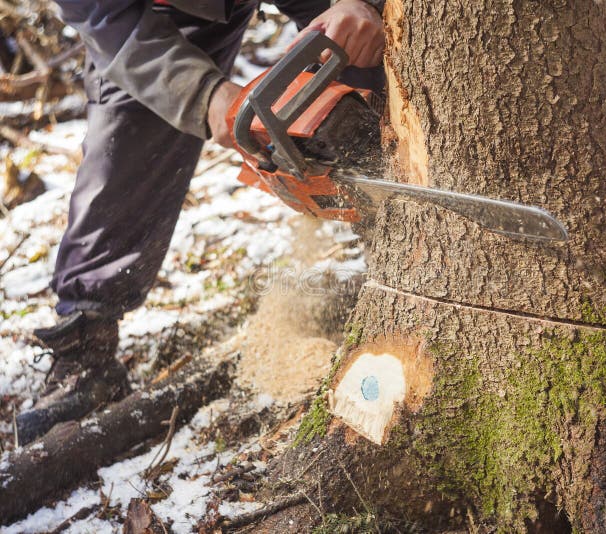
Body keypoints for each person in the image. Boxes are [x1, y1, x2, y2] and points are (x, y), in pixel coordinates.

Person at [15, 0, 385, 445]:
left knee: (362, 43)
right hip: (158, 8)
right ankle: (87, 344)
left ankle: (399, 251)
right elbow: (107, 20)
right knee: (129, 129)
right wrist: (207, 98)